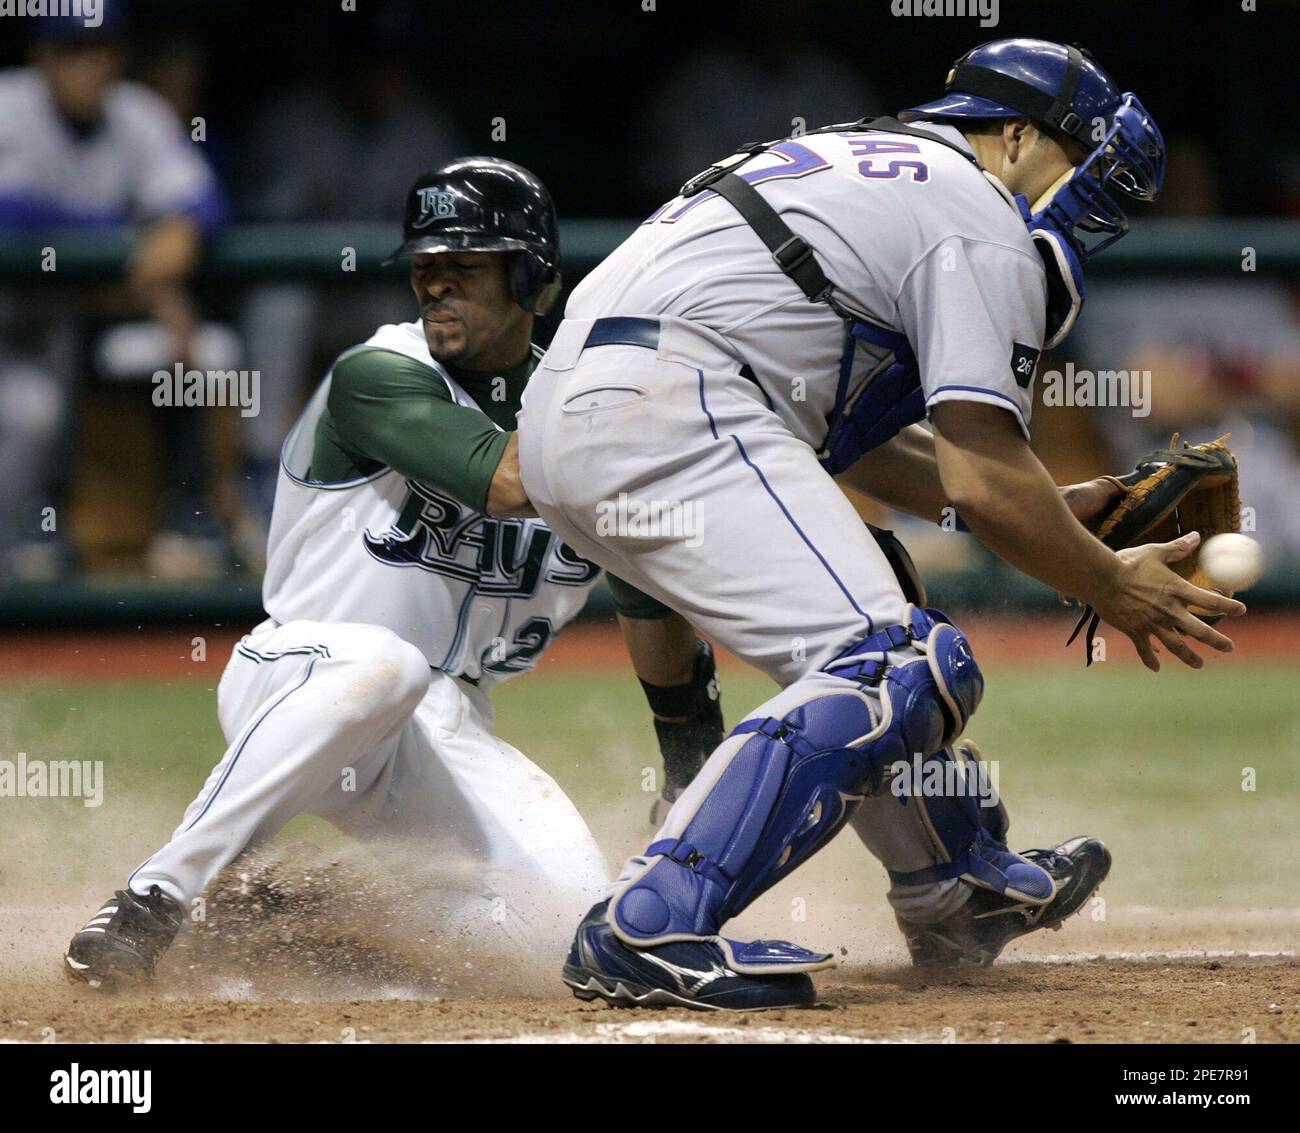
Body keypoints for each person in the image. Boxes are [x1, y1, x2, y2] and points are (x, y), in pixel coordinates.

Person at [515, 39, 1246, 1011]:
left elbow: (883, 447)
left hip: (590, 411)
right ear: (1016, 135)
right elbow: (987, 480)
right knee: (899, 661)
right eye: (1082, 161)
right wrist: (1108, 582)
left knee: (876, 609)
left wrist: (1048, 512)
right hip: (668, 402)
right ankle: (648, 921)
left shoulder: (876, 169)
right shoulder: (976, 211)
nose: (1092, 200)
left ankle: (955, 885)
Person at [63, 158, 717, 990]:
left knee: (561, 942)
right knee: (386, 664)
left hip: (446, 722)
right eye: (425, 268)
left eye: (464, 269)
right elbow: (512, 479)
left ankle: (292, 918)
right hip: (305, 670)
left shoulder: (587, 405)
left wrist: (688, 754)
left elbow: (645, 594)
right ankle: (150, 900)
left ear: (531, 278)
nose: (436, 287)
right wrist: (648, 431)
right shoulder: (378, 375)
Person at [0, 13, 226, 577]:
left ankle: (184, 515)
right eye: (72, 50)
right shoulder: (8, 105)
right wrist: (124, 242)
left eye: (100, 49)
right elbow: (10, 213)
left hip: (54, 325)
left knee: (41, 405)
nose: (90, 66)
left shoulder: (136, 112)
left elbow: (203, 198)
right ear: (42, 57)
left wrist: (181, 228)